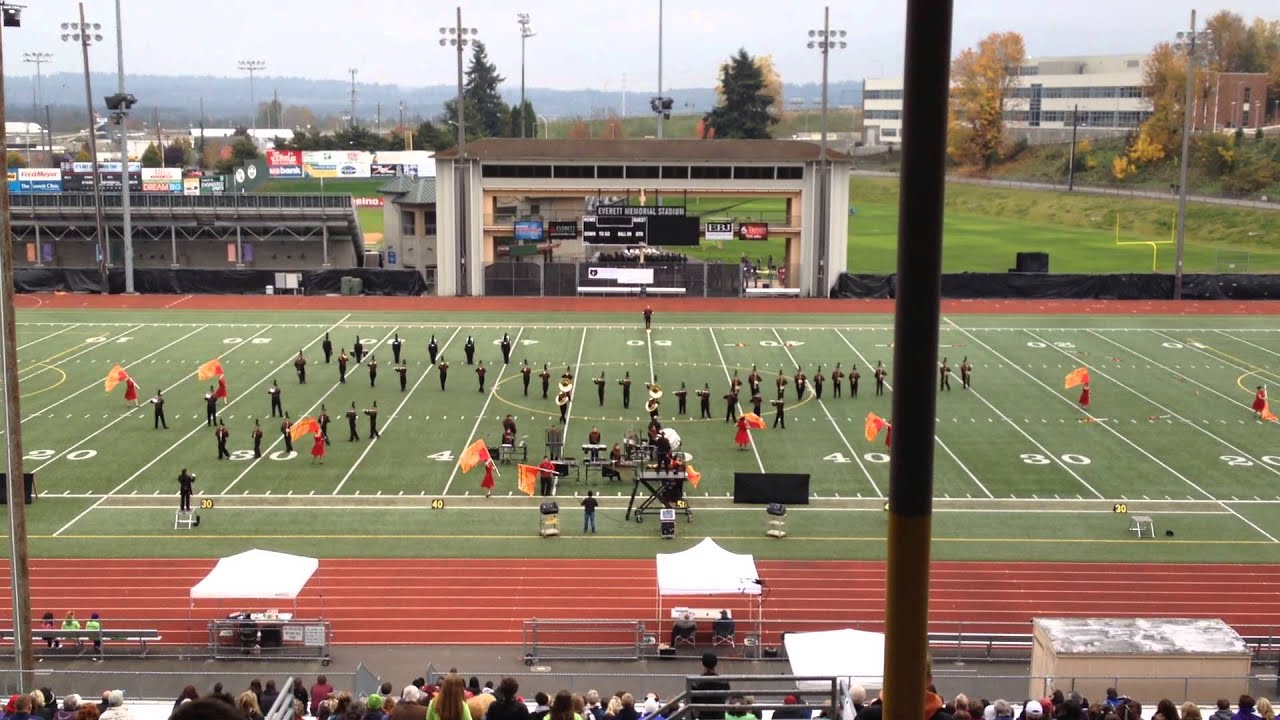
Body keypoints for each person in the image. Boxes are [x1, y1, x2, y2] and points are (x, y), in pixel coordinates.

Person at [690, 654, 730, 720]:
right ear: (716, 664)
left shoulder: (696, 682)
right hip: (719, 716)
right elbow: (727, 698)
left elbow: (691, 700)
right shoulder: (724, 682)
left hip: (702, 716)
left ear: (702, 664)